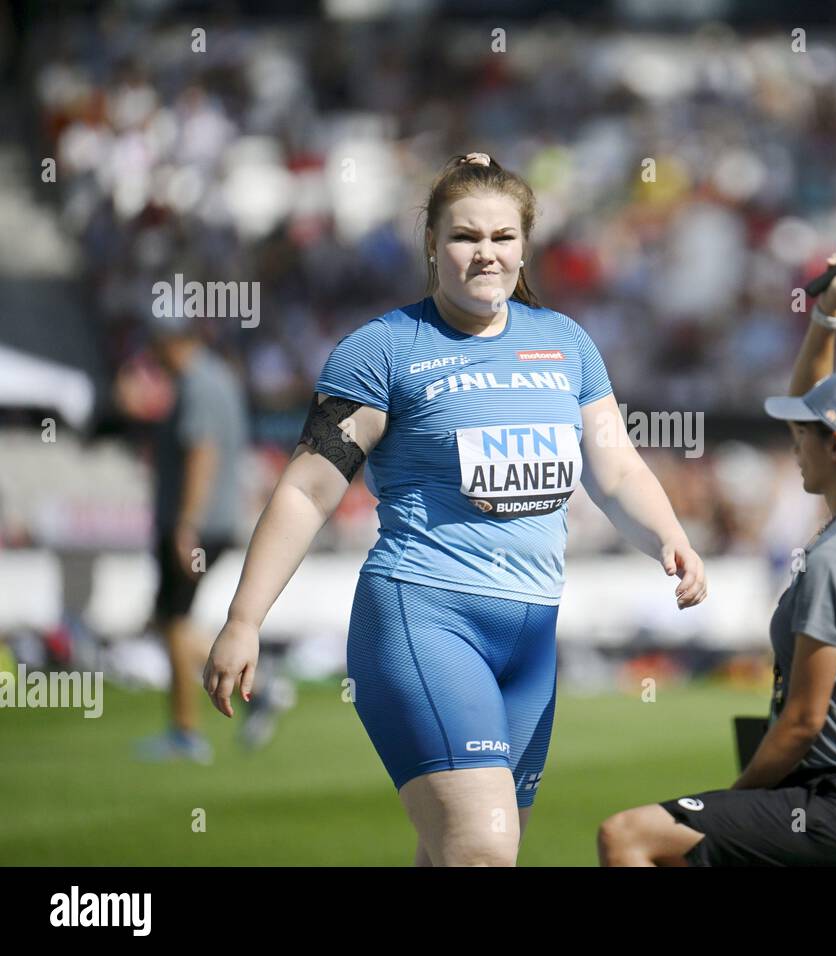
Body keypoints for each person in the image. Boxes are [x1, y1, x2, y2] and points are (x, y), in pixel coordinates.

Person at [202, 152, 706, 866]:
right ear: (433, 244)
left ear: (526, 245)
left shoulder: (566, 344)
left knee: (454, 853)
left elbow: (616, 467)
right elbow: (306, 489)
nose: (486, 254)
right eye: (466, 236)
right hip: (425, 616)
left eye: (503, 237)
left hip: (531, 637)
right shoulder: (380, 351)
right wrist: (243, 620)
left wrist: (668, 536)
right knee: (483, 850)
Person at [598, 239, 836, 866]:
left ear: (835, 447)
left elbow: (804, 721)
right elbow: (818, 405)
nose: (792, 443)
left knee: (627, 836)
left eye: (803, 434)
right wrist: (828, 312)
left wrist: (734, 800)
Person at [134, 312, 248, 764]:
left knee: (175, 622)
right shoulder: (217, 376)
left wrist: (186, 524)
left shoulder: (197, 383)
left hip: (197, 525)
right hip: (212, 521)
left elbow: (202, 452)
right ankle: (260, 687)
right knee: (170, 620)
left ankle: (185, 732)